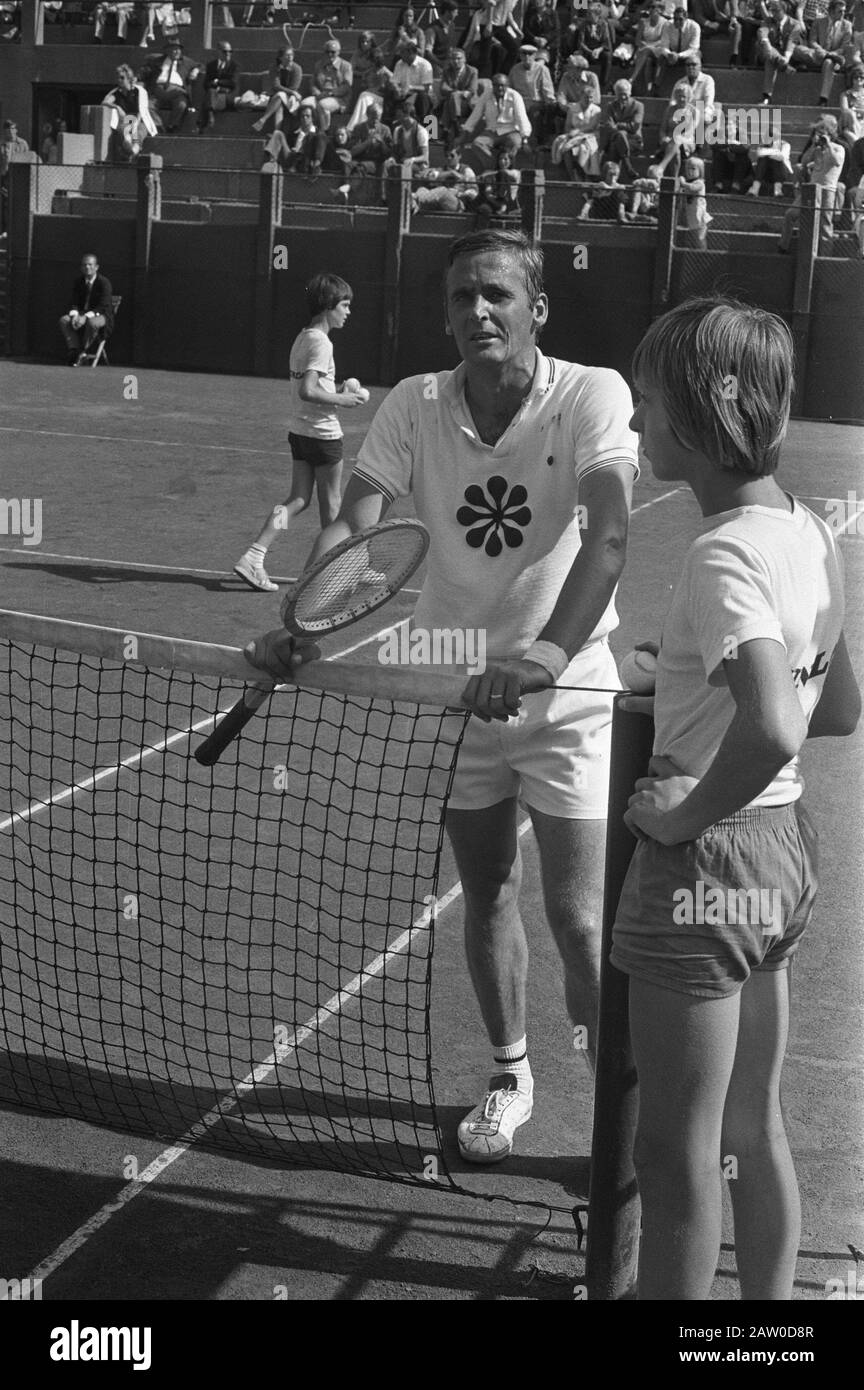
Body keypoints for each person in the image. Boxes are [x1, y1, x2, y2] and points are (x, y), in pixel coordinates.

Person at [244, 229, 639, 1164]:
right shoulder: (415, 406)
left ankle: (627, 1119)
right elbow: (356, 522)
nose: (477, 313)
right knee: (488, 892)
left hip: (569, 692)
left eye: (497, 295)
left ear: (538, 308)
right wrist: (303, 618)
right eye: (461, 297)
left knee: (583, 919)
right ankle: (511, 1076)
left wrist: (543, 657)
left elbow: (611, 534)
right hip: (456, 690)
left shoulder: (592, 394)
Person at [614, 295, 859, 1300]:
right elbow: (839, 703)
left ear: (697, 416)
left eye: (644, 407)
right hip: (781, 857)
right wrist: (680, 667)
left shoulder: (720, 552)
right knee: (755, 1126)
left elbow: (775, 721)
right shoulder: (805, 528)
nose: (634, 426)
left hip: (707, 863)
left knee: (675, 1153)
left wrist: (677, 817)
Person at [234, 273, 365, 593]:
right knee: (332, 506)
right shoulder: (322, 343)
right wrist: (344, 399)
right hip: (323, 435)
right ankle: (338, 569)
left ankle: (254, 555)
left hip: (301, 433)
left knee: (298, 499)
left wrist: (335, 388)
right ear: (328, 306)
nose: (348, 312)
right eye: (345, 305)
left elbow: (311, 386)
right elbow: (308, 390)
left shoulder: (303, 337)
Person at [778, 114, 845, 251]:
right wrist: (814, 146)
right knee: (791, 214)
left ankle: (825, 255)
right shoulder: (816, 149)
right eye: (817, 133)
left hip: (828, 190)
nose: (819, 136)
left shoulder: (838, 148)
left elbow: (837, 162)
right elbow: (804, 161)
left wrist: (828, 145)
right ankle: (783, 245)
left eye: (822, 133)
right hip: (811, 189)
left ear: (830, 133)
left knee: (825, 225)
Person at [456, 72, 533, 171]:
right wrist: (465, 132)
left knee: (515, 143)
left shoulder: (515, 96)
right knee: (477, 144)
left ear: (507, 85)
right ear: (493, 86)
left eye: (502, 85)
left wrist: (525, 138)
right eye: (496, 85)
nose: (499, 88)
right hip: (491, 131)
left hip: (510, 130)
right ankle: (493, 169)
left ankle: (508, 169)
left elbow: (521, 117)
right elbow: (476, 114)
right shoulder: (487, 94)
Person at [58, 253, 115, 366]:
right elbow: (74, 302)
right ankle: (74, 350)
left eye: (90, 264)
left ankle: (81, 351)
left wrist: (85, 317)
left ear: (96, 267)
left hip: (102, 315)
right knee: (64, 320)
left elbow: (103, 306)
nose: (87, 267)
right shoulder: (78, 282)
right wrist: (75, 315)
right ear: (81, 267)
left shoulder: (104, 283)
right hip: (82, 314)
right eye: (84, 265)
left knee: (92, 323)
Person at [141, 37, 201, 133]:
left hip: (176, 91)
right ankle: (159, 126)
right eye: (174, 49)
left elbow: (199, 65)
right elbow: (144, 69)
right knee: (147, 106)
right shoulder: (157, 60)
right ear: (167, 50)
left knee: (181, 104)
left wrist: (195, 70)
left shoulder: (186, 61)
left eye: (178, 49)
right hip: (158, 89)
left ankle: (172, 125)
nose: (177, 52)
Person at [102, 63, 158, 158]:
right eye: (118, 78)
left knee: (138, 133)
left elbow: (142, 110)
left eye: (122, 78)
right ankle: (131, 148)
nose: (119, 80)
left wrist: (135, 125)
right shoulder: (117, 93)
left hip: (140, 121)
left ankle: (133, 149)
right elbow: (105, 102)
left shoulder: (139, 91)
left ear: (129, 78)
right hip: (126, 121)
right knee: (126, 130)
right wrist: (117, 107)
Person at [598, 76, 643, 179]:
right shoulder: (610, 106)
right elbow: (609, 125)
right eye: (620, 94)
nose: (623, 97)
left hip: (633, 141)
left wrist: (619, 125)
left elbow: (634, 126)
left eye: (625, 94)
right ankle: (628, 167)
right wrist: (621, 129)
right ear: (615, 94)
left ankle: (610, 182)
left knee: (617, 141)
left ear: (630, 93)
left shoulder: (638, 106)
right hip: (615, 138)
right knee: (619, 137)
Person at [251, 44, 303, 134]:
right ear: (281, 57)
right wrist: (292, 92)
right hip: (277, 97)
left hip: (292, 98)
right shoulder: (274, 67)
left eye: (291, 55)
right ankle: (277, 133)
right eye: (287, 55)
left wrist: (292, 93)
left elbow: (294, 87)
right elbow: (276, 85)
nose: (290, 57)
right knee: (279, 102)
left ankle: (263, 119)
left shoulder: (297, 69)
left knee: (280, 95)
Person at [438, 47, 480, 147]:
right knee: (453, 97)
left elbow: (472, 90)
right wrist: (458, 93)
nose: (455, 61)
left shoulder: (472, 71)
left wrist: (457, 94)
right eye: (453, 59)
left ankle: (447, 128)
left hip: (468, 103)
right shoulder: (447, 71)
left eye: (458, 58)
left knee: (452, 98)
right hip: (453, 102)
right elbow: (443, 88)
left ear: (464, 59)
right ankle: (455, 124)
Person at [312, 38, 354, 131]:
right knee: (305, 104)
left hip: (339, 99)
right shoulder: (319, 65)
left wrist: (331, 93)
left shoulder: (346, 66)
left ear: (338, 52)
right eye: (327, 52)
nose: (330, 54)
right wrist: (317, 93)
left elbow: (346, 87)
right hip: (320, 95)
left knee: (322, 105)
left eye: (333, 52)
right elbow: (313, 83)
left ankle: (323, 131)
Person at [198, 39, 238, 130]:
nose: (228, 54)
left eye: (230, 51)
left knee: (209, 95)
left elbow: (233, 83)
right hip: (214, 95)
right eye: (225, 51)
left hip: (227, 95)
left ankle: (202, 121)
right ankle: (209, 116)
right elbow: (205, 84)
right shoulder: (211, 65)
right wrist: (216, 86)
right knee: (211, 92)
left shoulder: (234, 66)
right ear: (218, 52)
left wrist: (216, 83)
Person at [677, 153, 712, 246]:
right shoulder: (688, 183)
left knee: (700, 239)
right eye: (688, 168)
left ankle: (702, 254)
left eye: (693, 168)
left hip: (700, 218)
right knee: (694, 240)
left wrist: (683, 183)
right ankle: (697, 254)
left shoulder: (700, 182)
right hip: (692, 217)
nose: (689, 171)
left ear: (700, 171)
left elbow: (692, 188)